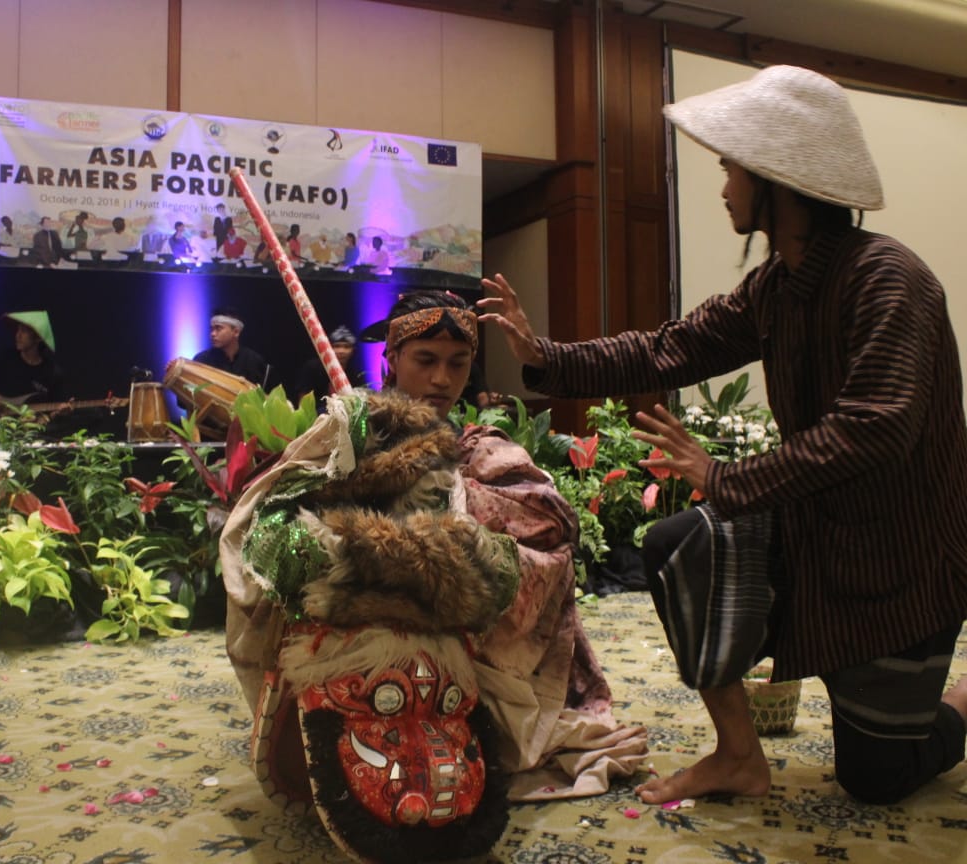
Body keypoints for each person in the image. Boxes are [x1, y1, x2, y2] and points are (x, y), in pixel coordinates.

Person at [479, 64, 967, 807]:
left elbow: (878, 427)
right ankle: (739, 754)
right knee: (680, 542)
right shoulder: (774, 286)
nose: (723, 185)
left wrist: (727, 477)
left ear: (777, 177)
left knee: (877, 780)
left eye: (730, 167)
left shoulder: (889, 280)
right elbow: (669, 347)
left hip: (896, 561)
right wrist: (546, 356)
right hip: (814, 537)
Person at [220, 291, 647, 861]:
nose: (443, 378)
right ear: (393, 359)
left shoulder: (483, 451)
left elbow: (547, 535)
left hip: (462, 640)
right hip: (349, 635)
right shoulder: (347, 435)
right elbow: (271, 529)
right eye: (426, 359)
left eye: (457, 362)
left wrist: (453, 522)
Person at [0, 311, 64, 417]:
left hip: (28, 429)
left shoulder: (52, 372)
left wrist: (58, 413)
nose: (17, 335)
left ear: (38, 338)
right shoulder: (6, 357)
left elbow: (52, 412)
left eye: (23, 331)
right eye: (18, 330)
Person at [191, 308, 269, 386]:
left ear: (236, 332)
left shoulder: (254, 361)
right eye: (212, 329)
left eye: (218, 328)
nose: (213, 334)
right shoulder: (201, 360)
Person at [294, 325, 365, 408]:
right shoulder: (312, 368)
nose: (341, 351)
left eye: (346, 347)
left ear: (353, 350)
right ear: (329, 347)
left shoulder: (355, 374)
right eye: (337, 346)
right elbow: (303, 399)